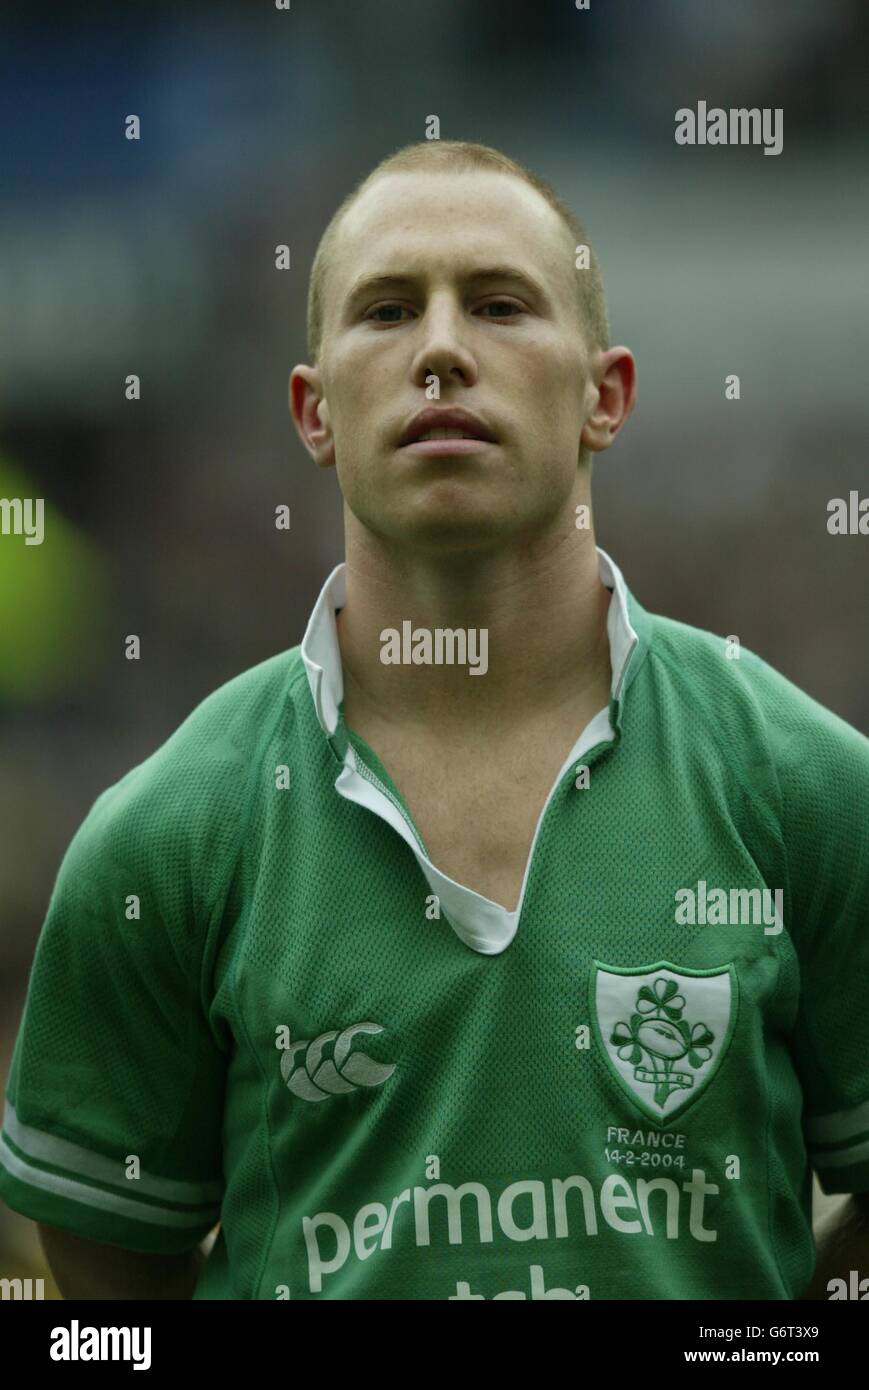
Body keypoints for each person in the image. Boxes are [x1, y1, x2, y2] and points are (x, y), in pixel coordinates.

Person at [1, 140, 867, 1301]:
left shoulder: (812, 787)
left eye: (500, 305)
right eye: (388, 310)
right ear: (313, 412)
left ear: (603, 395)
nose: (443, 350)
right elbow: (107, 1285)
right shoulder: (164, 835)